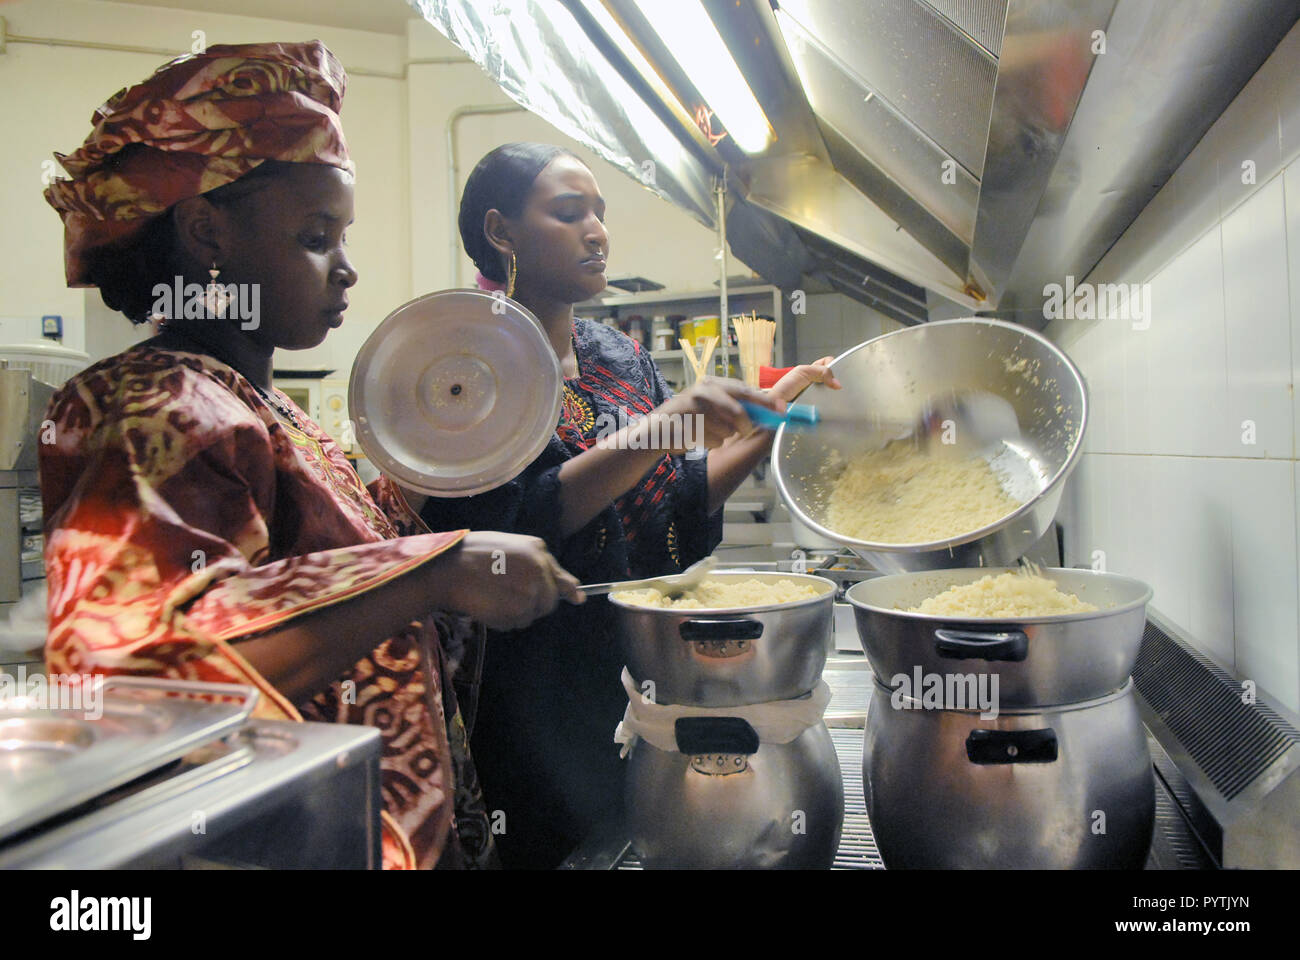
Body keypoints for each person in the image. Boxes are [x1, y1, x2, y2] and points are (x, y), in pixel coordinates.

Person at [39, 43, 582, 870]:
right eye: (315, 235)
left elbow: (323, 570)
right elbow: (141, 682)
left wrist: (456, 446)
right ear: (207, 230)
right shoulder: (151, 404)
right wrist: (435, 569)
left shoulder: (261, 406)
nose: (347, 268)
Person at [413, 142, 840, 868]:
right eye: (569, 212)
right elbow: (509, 531)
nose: (597, 231)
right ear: (501, 231)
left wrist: (775, 422)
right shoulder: (460, 372)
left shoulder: (616, 354)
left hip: (639, 686)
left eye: (601, 213)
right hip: (528, 705)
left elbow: (669, 510)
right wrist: (663, 430)